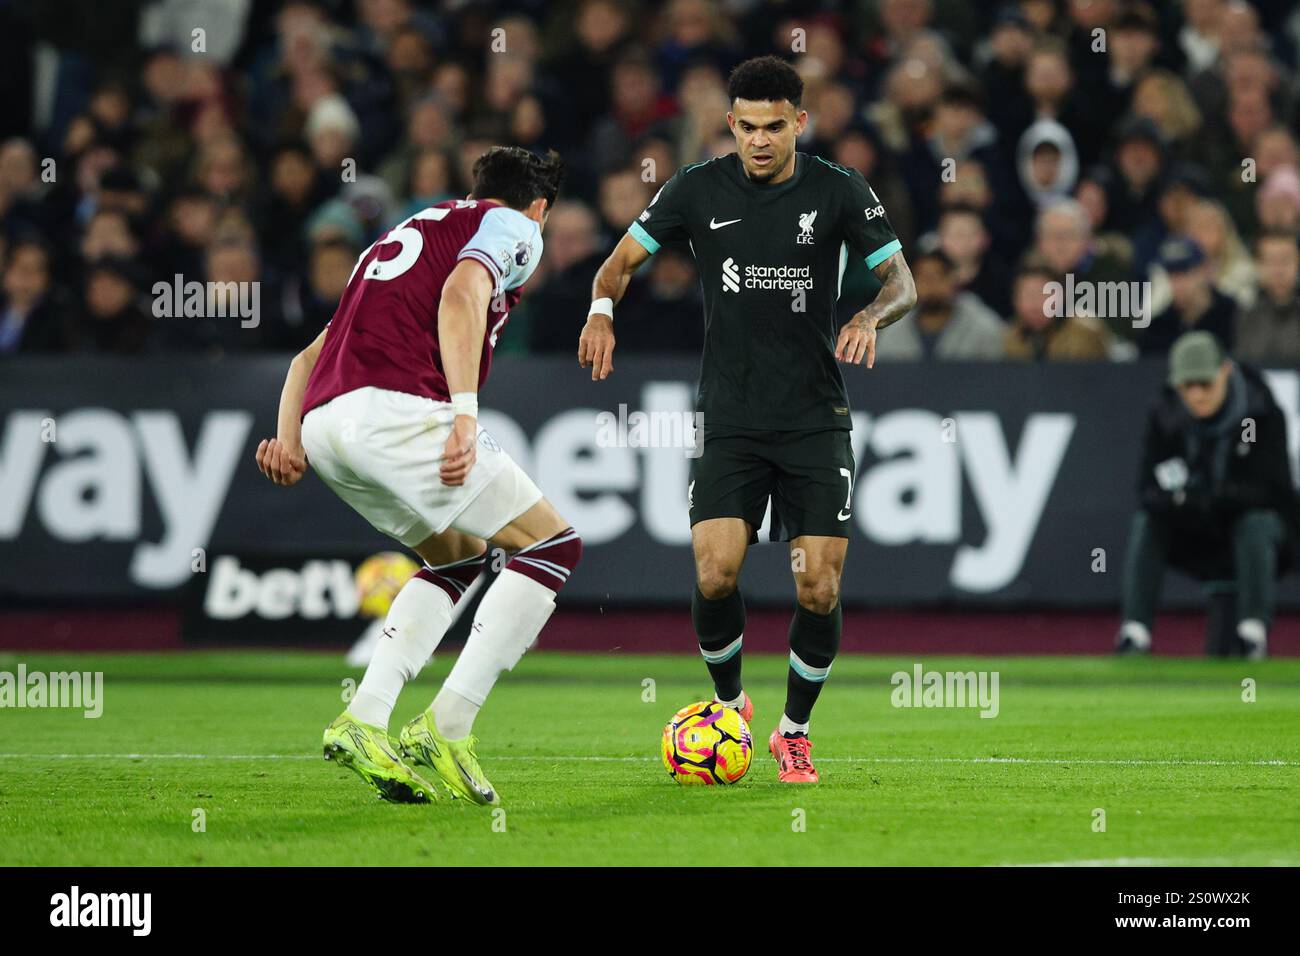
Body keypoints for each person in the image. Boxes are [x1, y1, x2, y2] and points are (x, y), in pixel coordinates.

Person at [578, 56, 916, 784]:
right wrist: (602, 311)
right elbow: (617, 264)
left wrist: (868, 314)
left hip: (814, 417)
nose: (759, 140)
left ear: (799, 123)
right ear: (729, 124)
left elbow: (902, 282)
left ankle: (793, 732)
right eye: (746, 126)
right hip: (730, 416)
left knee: (818, 586)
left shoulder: (839, 190)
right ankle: (730, 709)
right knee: (715, 571)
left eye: (774, 126)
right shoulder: (696, 189)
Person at [253, 146, 577, 807]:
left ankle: (365, 719)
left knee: (458, 558)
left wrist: (288, 443)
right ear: (539, 208)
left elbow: (304, 359)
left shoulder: (406, 233)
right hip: (396, 411)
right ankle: (448, 723)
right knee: (553, 544)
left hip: (326, 424)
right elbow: (463, 293)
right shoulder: (516, 226)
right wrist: (464, 413)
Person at [1116, 331, 1299, 660]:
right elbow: (1147, 489)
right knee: (1148, 523)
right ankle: (1135, 633)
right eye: (1188, 386)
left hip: (1260, 538)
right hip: (1198, 531)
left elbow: (1275, 492)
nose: (1197, 395)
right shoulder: (1166, 415)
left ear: (1225, 371)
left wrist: (1211, 496)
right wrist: (1184, 501)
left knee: (1255, 523)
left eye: (1205, 383)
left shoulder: (1260, 411)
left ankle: (1252, 635)